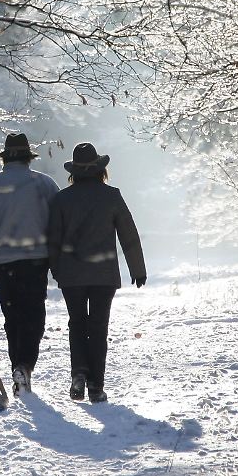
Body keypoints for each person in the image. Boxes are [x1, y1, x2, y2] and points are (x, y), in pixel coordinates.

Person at [47, 142, 146, 404]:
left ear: (74, 172)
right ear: (100, 170)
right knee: (99, 327)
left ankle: (78, 374)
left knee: (77, 324)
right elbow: (128, 234)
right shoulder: (112, 196)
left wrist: (57, 270)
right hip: (103, 275)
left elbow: (53, 240)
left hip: (72, 274)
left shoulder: (61, 199)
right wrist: (138, 269)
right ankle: (96, 386)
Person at [0, 132, 60, 395]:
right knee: (33, 315)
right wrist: (59, 258)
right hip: (35, 261)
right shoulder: (45, 185)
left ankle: (18, 365)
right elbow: (60, 224)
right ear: (29, 157)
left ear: (4, 158)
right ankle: (24, 366)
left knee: (12, 317)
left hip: (3, 263)